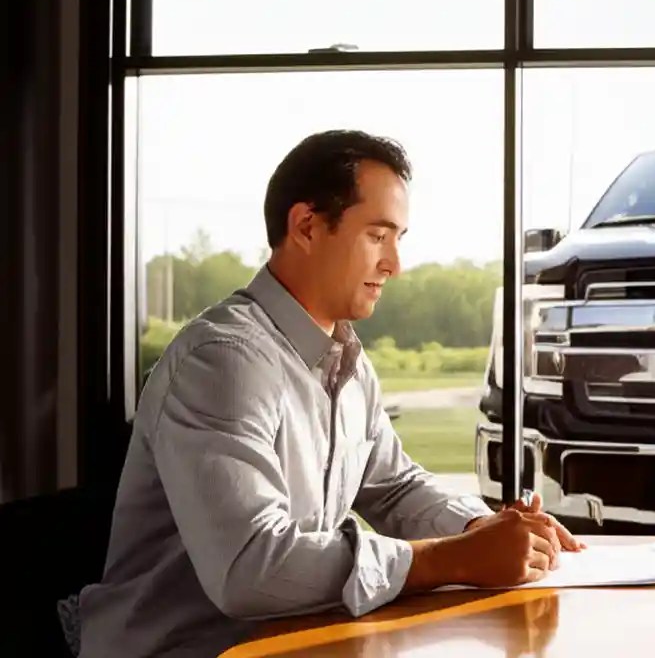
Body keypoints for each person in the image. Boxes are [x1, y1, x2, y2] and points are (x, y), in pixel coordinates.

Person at [76, 130, 584, 657]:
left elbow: (392, 487)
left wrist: (484, 527)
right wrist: (451, 559)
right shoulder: (222, 360)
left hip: (296, 642)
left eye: (398, 238)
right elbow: (250, 568)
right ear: (307, 226)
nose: (395, 264)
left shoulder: (345, 359)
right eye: (377, 236)